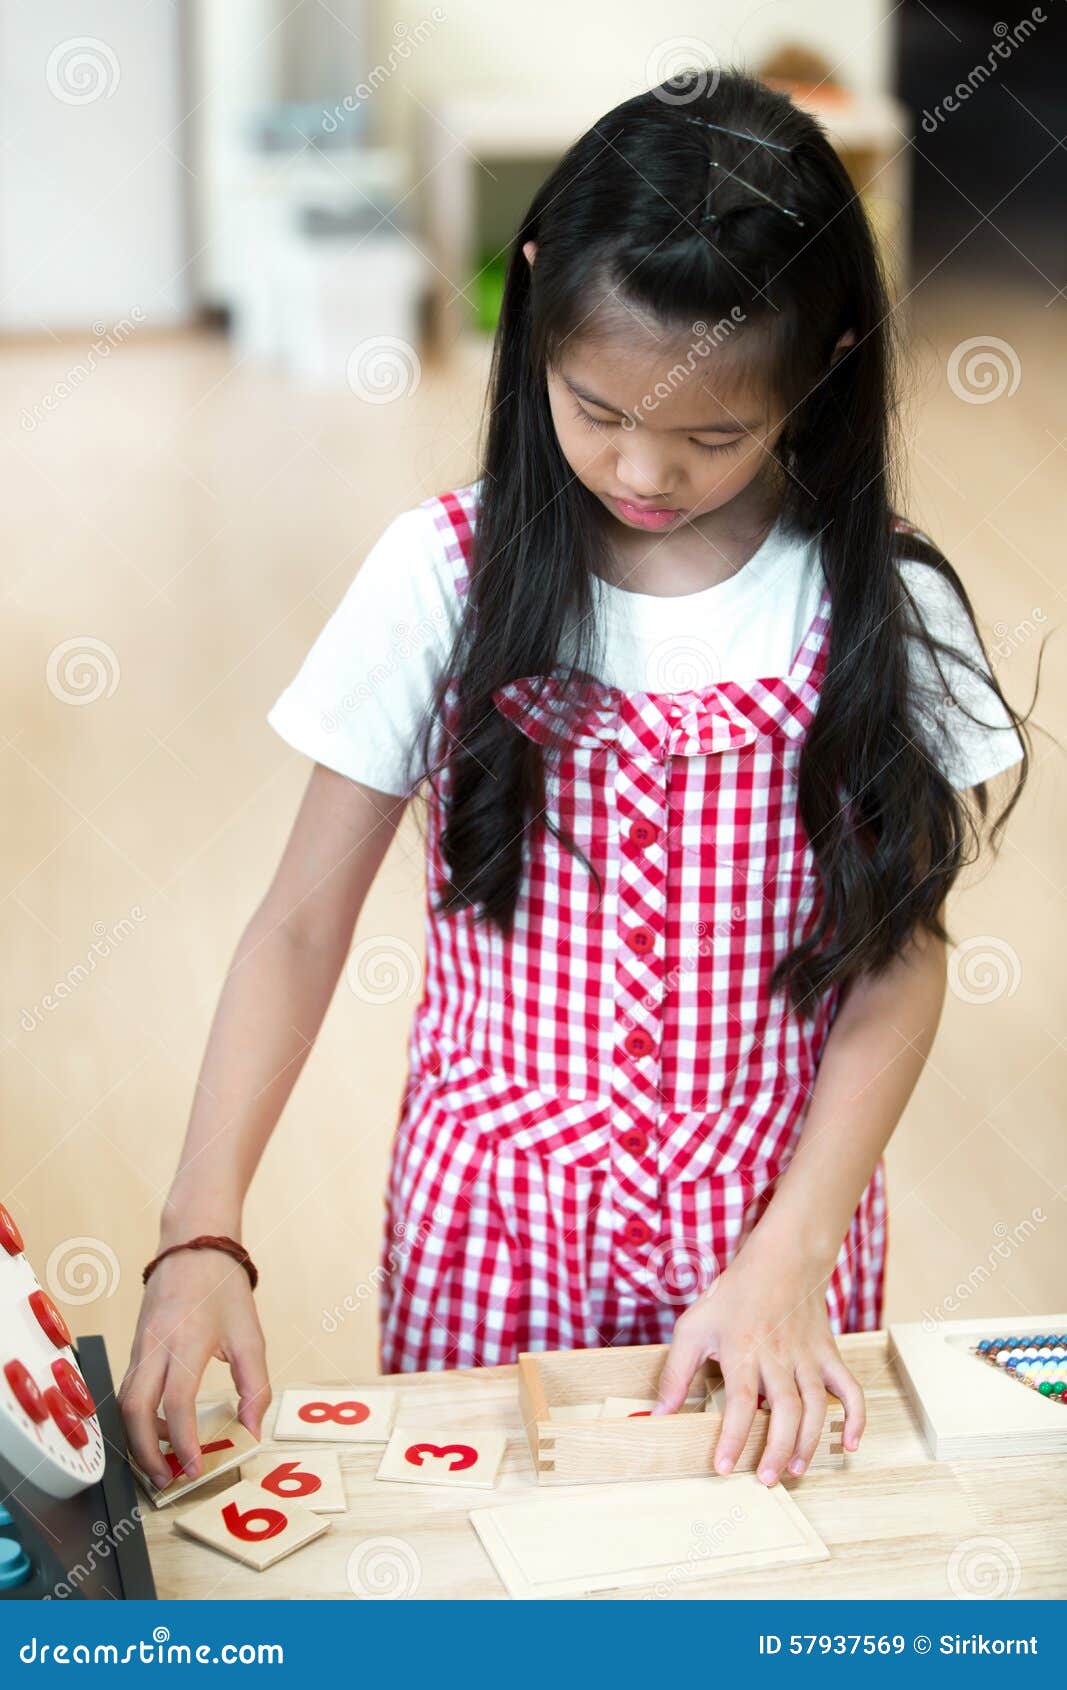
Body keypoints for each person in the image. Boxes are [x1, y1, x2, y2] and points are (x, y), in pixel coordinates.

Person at [119, 68, 1035, 1492]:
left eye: (715, 436)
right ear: (534, 298)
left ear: (829, 362)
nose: (643, 468)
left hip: (774, 1232)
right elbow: (298, 927)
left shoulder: (884, 605)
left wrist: (790, 1256)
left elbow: (900, 959)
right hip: (489, 1229)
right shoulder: (444, 575)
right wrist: (201, 1230)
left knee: (750, 1582)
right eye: (596, 406)